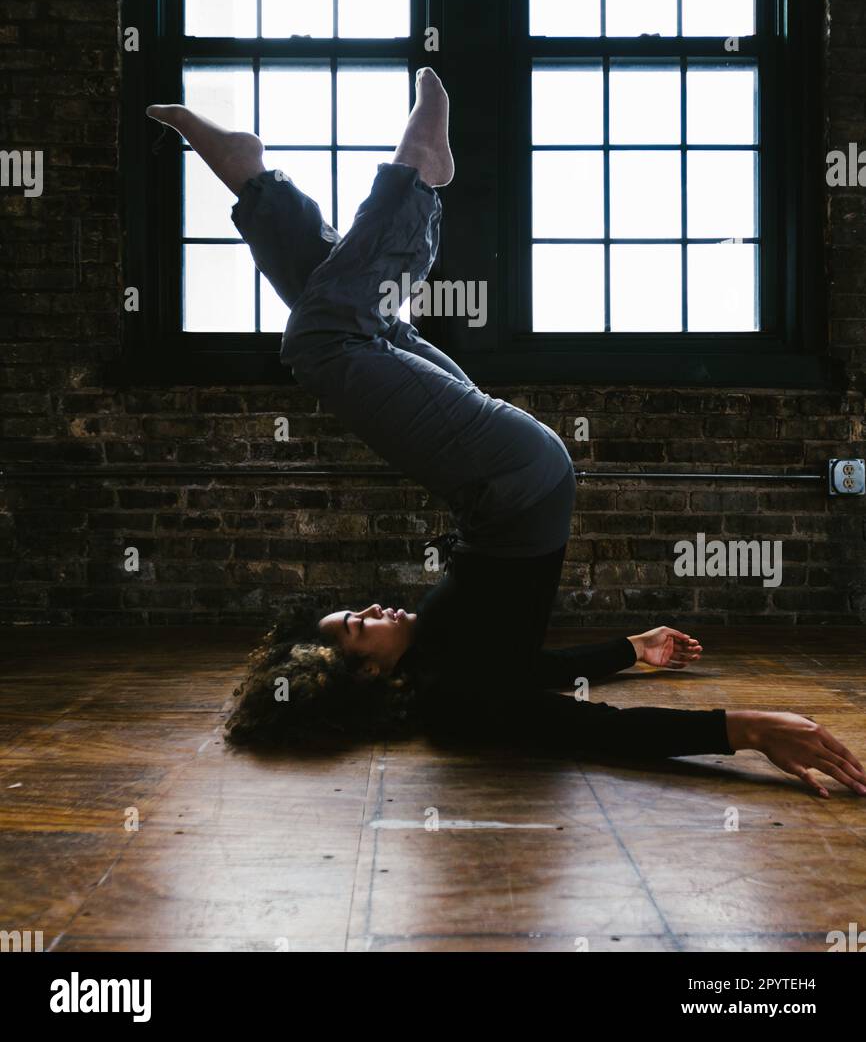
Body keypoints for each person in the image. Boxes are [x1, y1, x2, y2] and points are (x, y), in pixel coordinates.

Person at [147, 70, 866, 798]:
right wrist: (741, 728)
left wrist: (631, 648)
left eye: (354, 612)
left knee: (357, 318)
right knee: (321, 346)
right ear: (364, 675)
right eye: (359, 629)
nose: (371, 610)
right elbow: (583, 729)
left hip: (505, 482)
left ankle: (254, 179)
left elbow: (523, 668)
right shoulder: (455, 705)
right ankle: (414, 180)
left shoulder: (443, 665)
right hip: (510, 485)